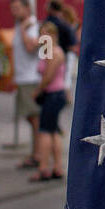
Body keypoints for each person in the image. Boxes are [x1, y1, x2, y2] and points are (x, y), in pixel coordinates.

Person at [28, 19, 67, 181]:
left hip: (53, 94)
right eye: (41, 34)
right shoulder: (49, 51)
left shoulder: (56, 53)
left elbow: (48, 76)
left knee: (44, 131)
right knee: (53, 131)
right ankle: (57, 167)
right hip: (54, 94)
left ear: (54, 35)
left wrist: (37, 91)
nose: (43, 37)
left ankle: (44, 168)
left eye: (46, 34)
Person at [9, 0, 42, 168]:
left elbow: (31, 48)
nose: (14, 12)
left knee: (35, 118)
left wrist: (22, 29)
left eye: (17, 8)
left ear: (27, 8)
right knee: (30, 118)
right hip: (22, 78)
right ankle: (37, 152)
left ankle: (38, 155)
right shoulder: (20, 26)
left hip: (31, 78)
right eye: (12, 9)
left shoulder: (32, 27)